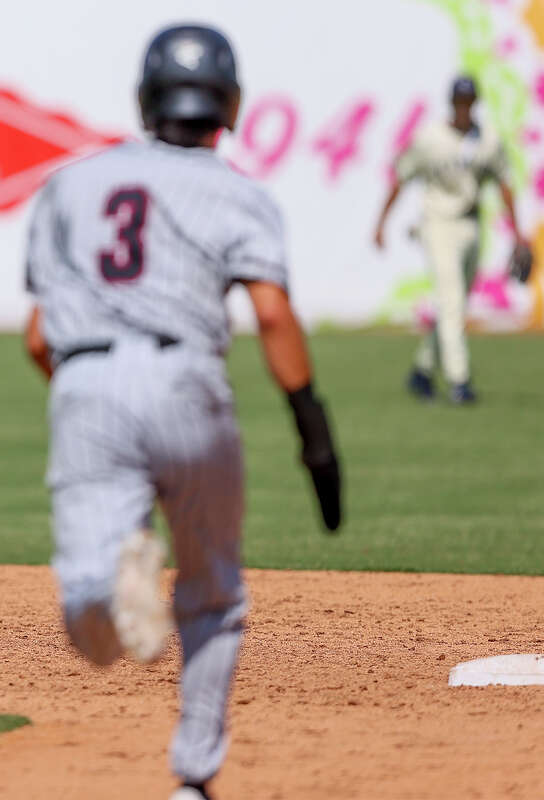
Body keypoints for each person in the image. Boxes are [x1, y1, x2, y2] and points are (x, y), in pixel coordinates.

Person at [23, 25, 342, 800]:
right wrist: (313, 432)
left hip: (86, 376)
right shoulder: (241, 194)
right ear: (228, 104)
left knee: (88, 615)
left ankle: (107, 588)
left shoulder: (71, 184)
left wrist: (91, 405)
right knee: (213, 593)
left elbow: (38, 337)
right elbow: (271, 316)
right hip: (188, 381)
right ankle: (194, 782)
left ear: (146, 97)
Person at [374, 76, 528, 404]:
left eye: (469, 101)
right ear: (451, 103)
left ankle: (422, 370)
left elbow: (504, 184)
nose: (464, 106)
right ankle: (459, 381)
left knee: (453, 305)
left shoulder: (486, 140)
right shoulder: (430, 138)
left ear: (475, 103)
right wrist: (381, 223)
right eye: (460, 101)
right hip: (437, 224)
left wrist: (516, 233)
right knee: (453, 300)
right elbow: (401, 177)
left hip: (471, 225)